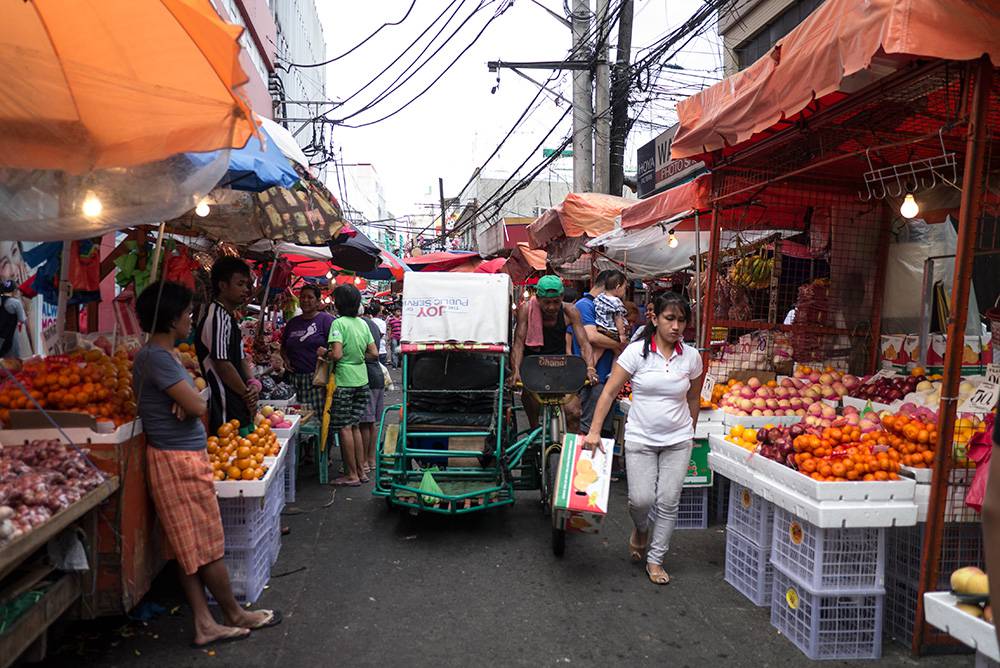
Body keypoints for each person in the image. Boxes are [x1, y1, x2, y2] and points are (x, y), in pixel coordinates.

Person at [133, 281, 280, 647]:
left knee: (191, 546)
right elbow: (199, 404)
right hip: (177, 460)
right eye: (186, 313)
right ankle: (231, 612)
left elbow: (196, 398)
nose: (190, 320)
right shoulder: (156, 357)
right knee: (207, 544)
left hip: (180, 456)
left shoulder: (161, 357)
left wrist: (191, 397)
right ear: (170, 318)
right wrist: (192, 400)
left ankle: (204, 622)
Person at [582, 292, 704, 586]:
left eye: (681, 320)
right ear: (655, 318)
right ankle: (640, 530)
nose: (676, 326)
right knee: (640, 500)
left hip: (678, 439)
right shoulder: (636, 352)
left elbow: (694, 397)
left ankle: (656, 559)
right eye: (669, 318)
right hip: (640, 438)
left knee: (668, 500)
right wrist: (594, 431)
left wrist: (690, 430)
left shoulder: (691, 357)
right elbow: (609, 391)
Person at [511, 275, 598, 432]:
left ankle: (570, 450)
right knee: (532, 401)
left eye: (556, 302)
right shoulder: (526, 310)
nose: (551, 307)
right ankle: (533, 430)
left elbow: (584, 343)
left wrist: (590, 368)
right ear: (537, 298)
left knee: (574, 412)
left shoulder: (570, 311)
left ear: (562, 297)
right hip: (533, 368)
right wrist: (516, 371)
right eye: (547, 302)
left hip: (559, 367)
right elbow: (518, 343)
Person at [319, 285, 378, 487]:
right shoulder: (362, 324)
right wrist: (359, 358)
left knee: (345, 428)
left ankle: (351, 474)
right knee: (355, 426)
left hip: (344, 381)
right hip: (362, 379)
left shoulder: (338, 324)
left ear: (338, 303)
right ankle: (361, 471)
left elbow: (336, 354)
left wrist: (323, 353)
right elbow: (374, 353)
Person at [195, 257, 258, 434]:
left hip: (238, 404)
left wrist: (252, 383)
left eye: (247, 284)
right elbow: (222, 364)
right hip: (224, 406)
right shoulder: (217, 317)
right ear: (223, 286)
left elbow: (241, 357)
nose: (246, 290)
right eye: (240, 284)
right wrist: (247, 394)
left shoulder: (229, 317)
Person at [571, 269, 628, 436]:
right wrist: (619, 343)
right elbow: (592, 336)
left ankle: (600, 462)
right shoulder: (584, 305)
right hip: (594, 379)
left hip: (605, 378)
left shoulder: (600, 305)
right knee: (588, 427)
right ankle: (584, 461)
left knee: (604, 429)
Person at [280, 284, 335, 418]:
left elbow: (336, 347)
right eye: (303, 297)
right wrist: (286, 360)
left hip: (316, 381)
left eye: (310, 297)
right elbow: (283, 347)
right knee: (294, 417)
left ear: (318, 301)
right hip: (293, 380)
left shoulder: (326, 320)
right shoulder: (292, 323)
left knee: (316, 419)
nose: (305, 300)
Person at [359, 306, 386, 476]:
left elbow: (371, 353)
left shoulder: (359, 324)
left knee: (364, 423)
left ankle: (364, 462)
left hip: (367, 376)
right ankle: (371, 460)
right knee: (371, 422)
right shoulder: (373, 324)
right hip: (377, 376)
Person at [593, 272, 629, 349]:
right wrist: (622, 334)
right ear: (618, 287)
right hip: (612, 330)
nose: (625, 291)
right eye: (624, 288)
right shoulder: (616, 301)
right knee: (620, 351)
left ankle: (591, 361)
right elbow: (618, 318)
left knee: (599, 350)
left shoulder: (600, 297)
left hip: (600, 327)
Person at [0, 280, 28, 359]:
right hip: (10, 336)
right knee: (13, 362)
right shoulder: (15, 303)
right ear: (14, 290)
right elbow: (22, 319)